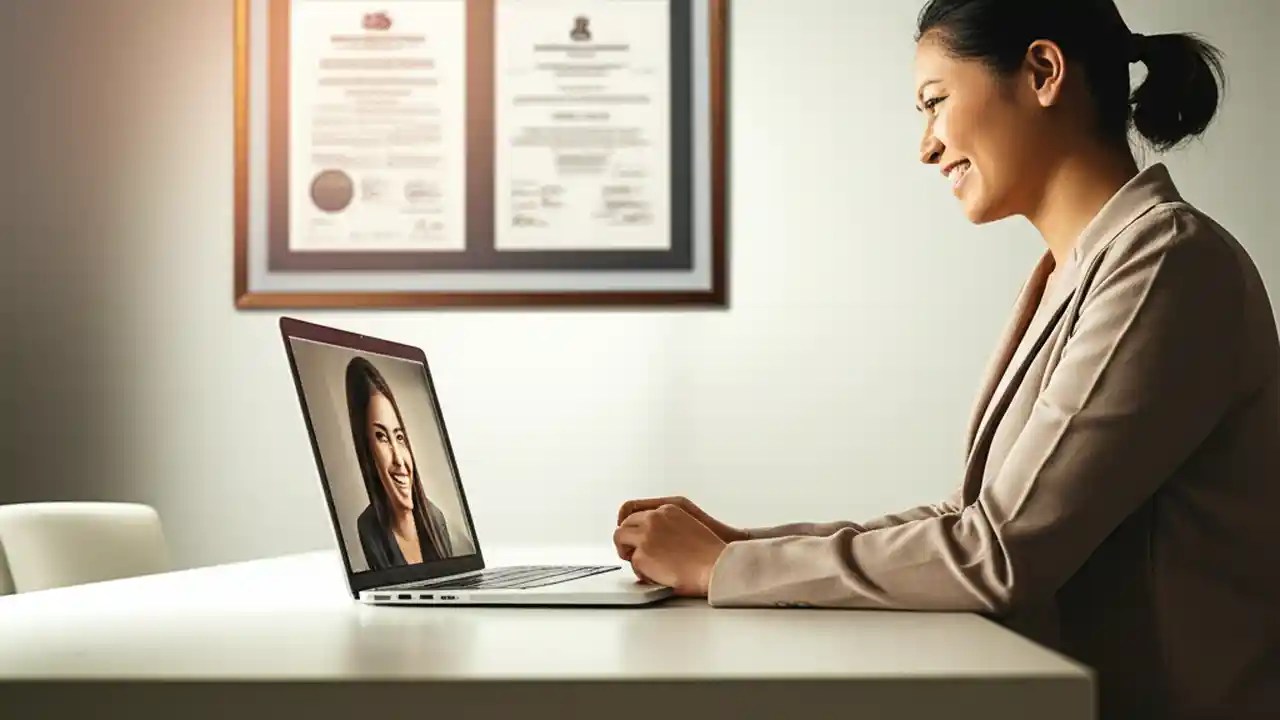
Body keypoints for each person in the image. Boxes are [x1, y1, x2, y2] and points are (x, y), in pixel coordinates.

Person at [613, 1, 1279, 718]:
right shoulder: (1079, 270)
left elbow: (997, 553)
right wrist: (742, 544)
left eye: (934, 102)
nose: (925, 147)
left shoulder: (1164, 264)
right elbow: (974, 516)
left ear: (1043, 72)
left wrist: (724, 568)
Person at [346, 356, 454, 570]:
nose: (398, 459)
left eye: (400, 437)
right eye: (381, 437)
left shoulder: (435, 518)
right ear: (367, 451)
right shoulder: (368, 528)